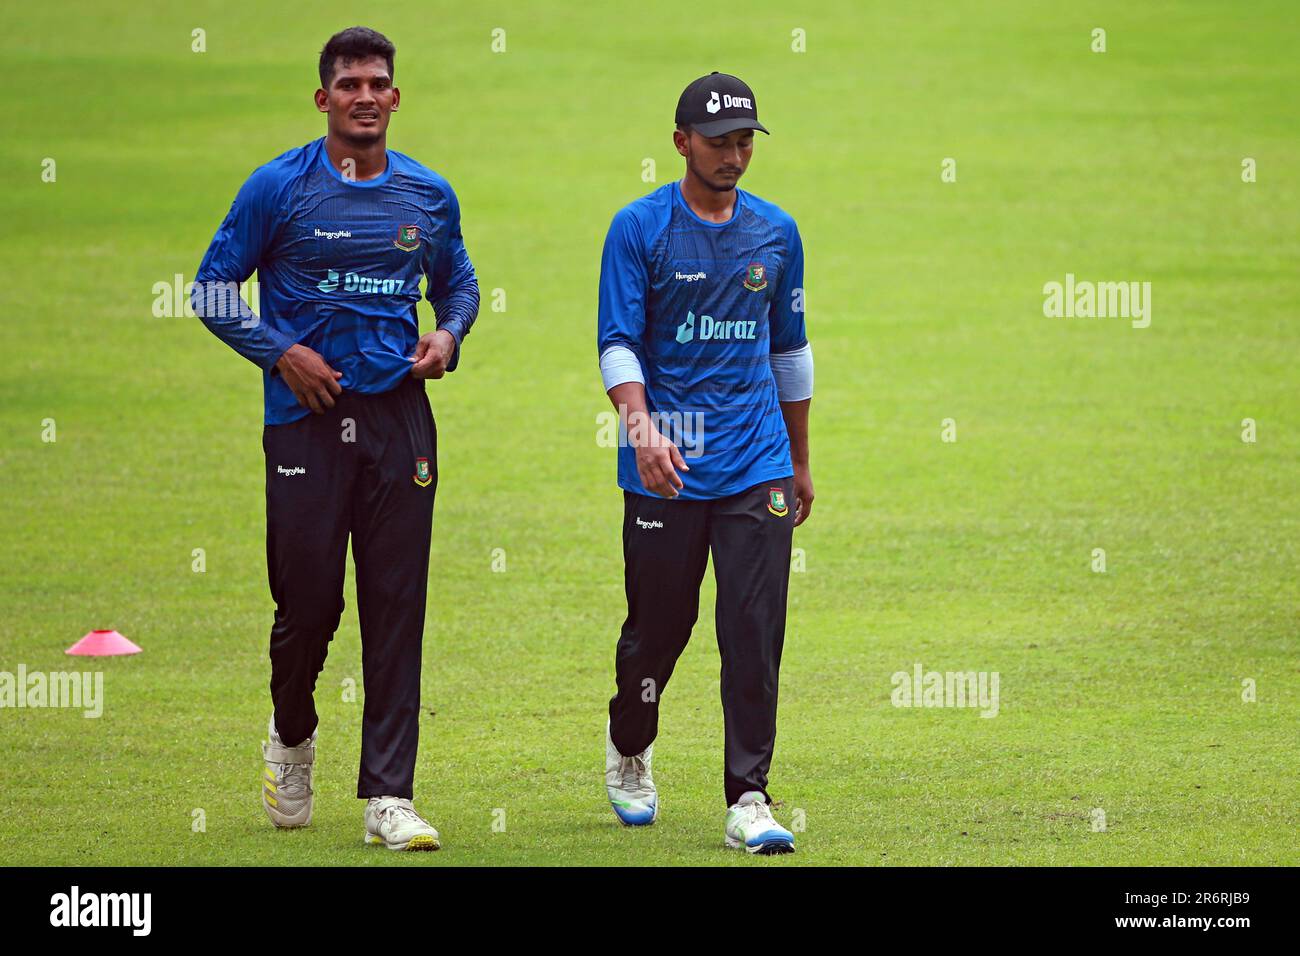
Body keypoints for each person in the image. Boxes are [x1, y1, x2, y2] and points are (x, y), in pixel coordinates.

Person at [191, 26, 479, 851]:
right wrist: (281, 354)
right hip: (306, 424)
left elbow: (458, 280)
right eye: (347, 83)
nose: (363, 95)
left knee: (397, 605)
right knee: (309, 605)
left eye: (377, 83)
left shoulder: (427, 195)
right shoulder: (276, 190)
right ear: (323, 99)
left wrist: (449, 334)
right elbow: (210, 291)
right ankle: (291, 731)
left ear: (395, 97)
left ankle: (390, 796)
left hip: (398, 420)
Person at [597, 72, 814, 854]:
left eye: (746, 140)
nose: (734, 155)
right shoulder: (639, 229)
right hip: (667, 463)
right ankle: (630, 745)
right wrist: (641, 430)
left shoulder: (776, 232)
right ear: (682, 141)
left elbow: (789, 349)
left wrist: (798, 460)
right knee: (660, 628)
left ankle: (749, 796)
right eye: (719, 141)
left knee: (753, 629)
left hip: (757, 461)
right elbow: (617, 341)